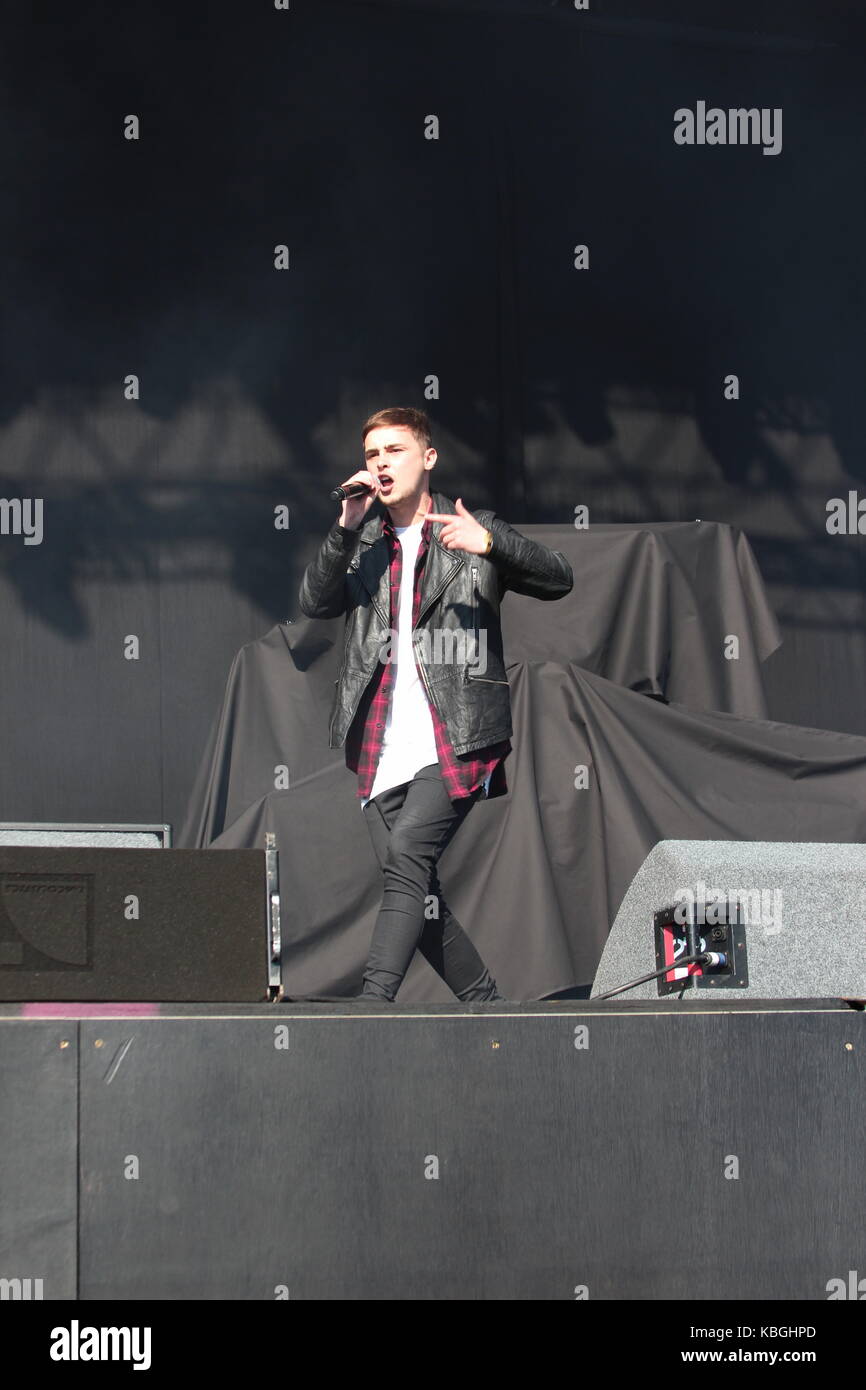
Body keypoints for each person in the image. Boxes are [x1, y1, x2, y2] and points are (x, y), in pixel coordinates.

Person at [298, 406, 573, 1001]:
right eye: (373, 454)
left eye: (394, 451)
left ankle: (372, 1007)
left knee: (406, 854)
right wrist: (346, 524)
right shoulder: (366, 543)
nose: (381, 464)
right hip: (379, 745)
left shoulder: (470, 528)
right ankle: (486, 1004)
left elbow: (559, 578)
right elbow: (315, 602)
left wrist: (492, 545)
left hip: (458, 734)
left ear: (428, 458)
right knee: (418, 892)